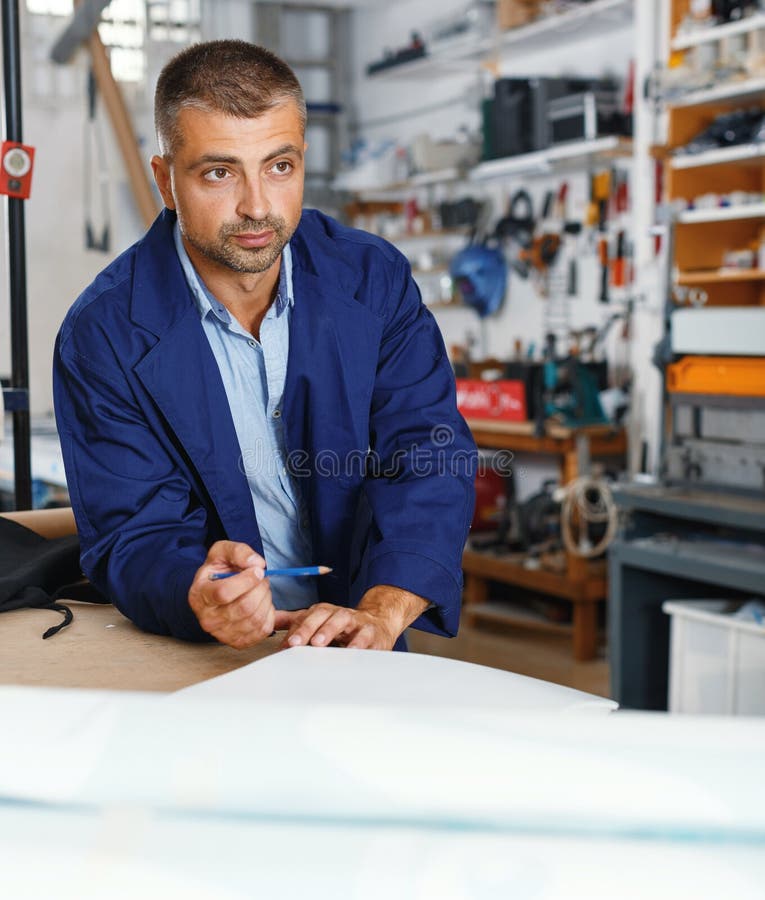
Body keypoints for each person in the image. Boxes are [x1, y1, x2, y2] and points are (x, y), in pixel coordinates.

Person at [53, 40, 476, 652]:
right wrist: (195, 590)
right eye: (219, 172)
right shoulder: (103, 334)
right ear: (166, 181)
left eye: (279, 167)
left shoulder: (372, 280)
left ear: (303, 159)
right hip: (200, 652)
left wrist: (383, 608)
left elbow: (428, 453)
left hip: (359, 639)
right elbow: (133, 529)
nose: (257, 207)